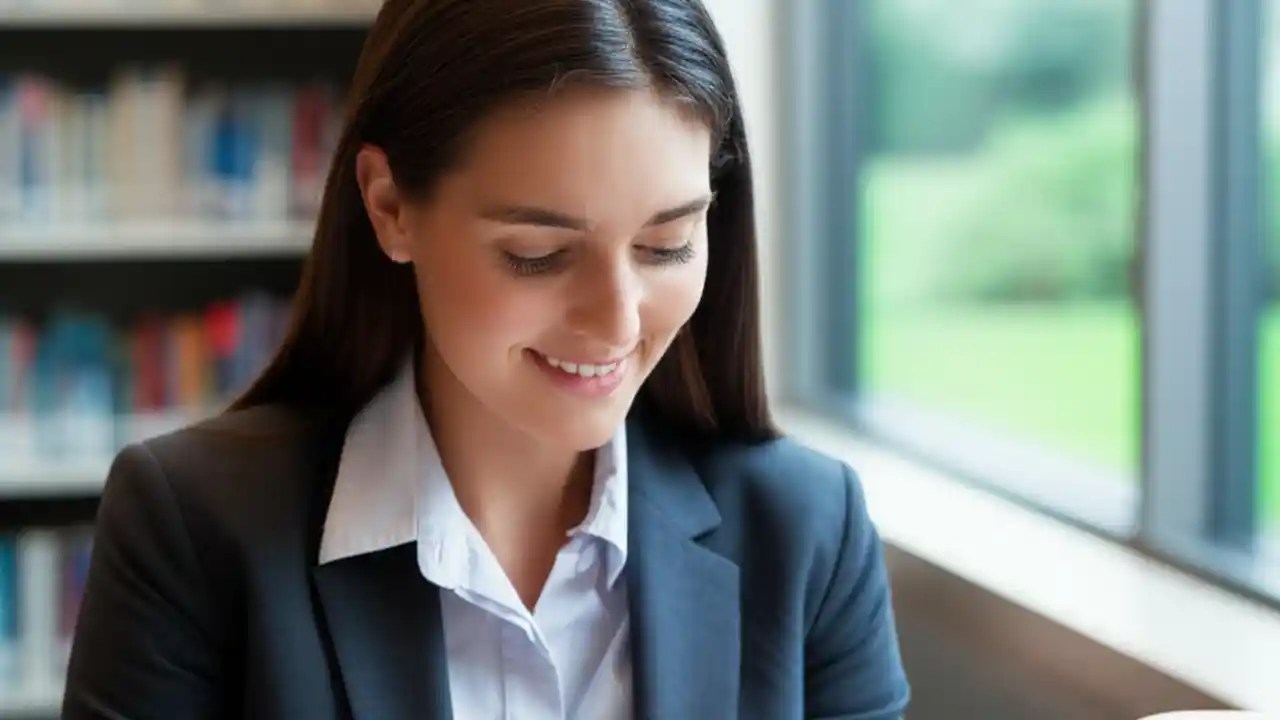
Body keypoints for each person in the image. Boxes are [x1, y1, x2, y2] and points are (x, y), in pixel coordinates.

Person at [61, 0, 910, 717]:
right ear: (390, 207)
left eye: (667, 244)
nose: (617, 321)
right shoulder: (193, 529)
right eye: (540, 253)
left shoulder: (808, 533)